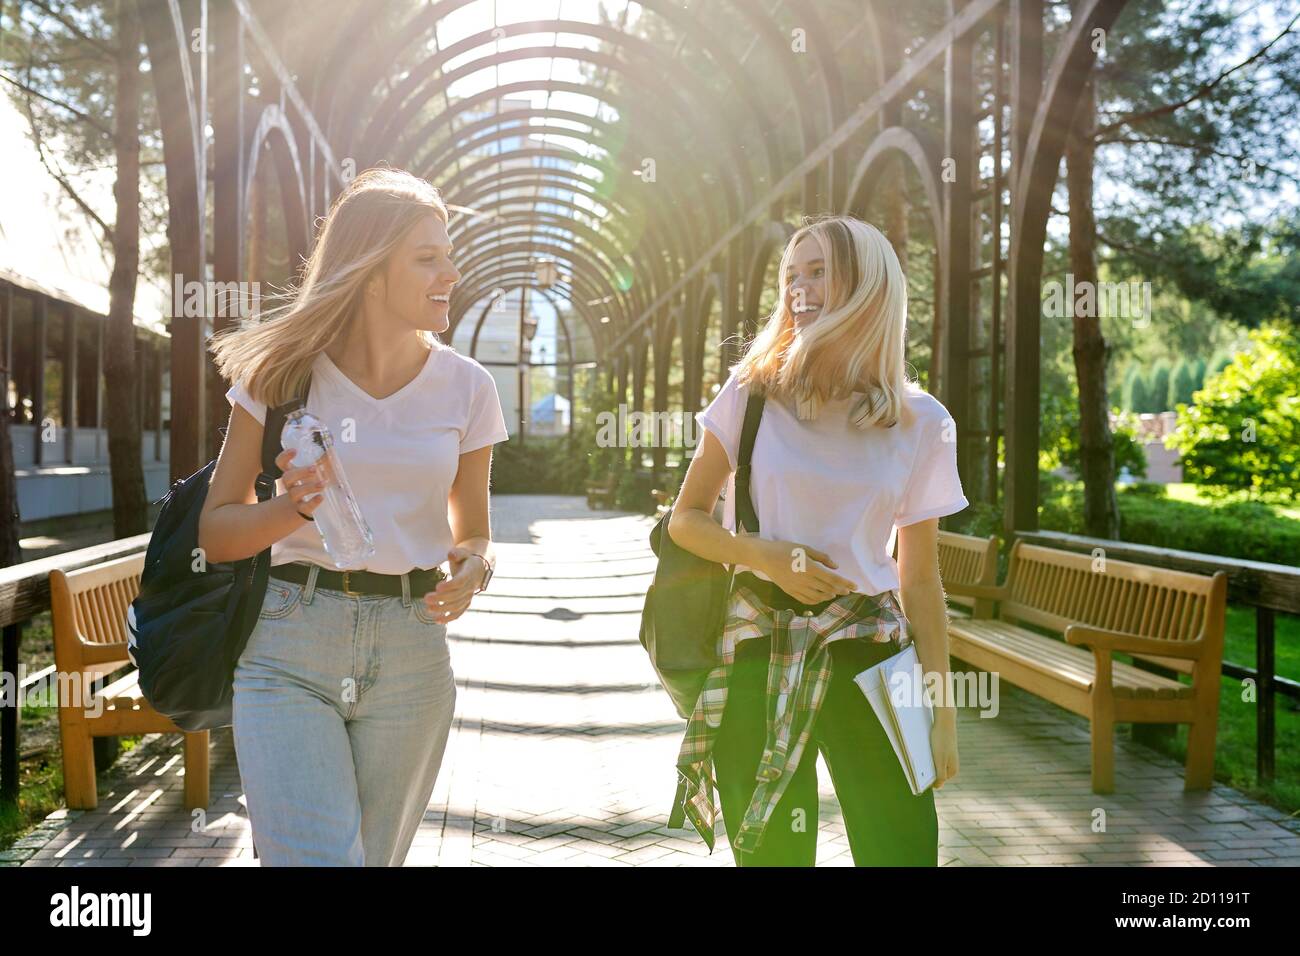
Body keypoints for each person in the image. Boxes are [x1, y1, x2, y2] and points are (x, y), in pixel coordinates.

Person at [199, 167, 509, 866]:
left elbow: (476, 531)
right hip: (288, 643)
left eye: (448, 255)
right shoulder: (279, 377)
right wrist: (291, 507)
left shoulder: (469, 390)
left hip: (411, 651)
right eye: (427, 258)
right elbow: (217, 534)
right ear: (371, 273)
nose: (451, 273)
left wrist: (475, 567)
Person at [667, 215, 967, 866]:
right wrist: (762, 554)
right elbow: (685, 519)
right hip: (757, 651)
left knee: (903, 850)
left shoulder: (922, 422)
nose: (798, 288)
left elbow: (920, 581)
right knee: (773, 854)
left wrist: (942, 715)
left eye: (817, 271)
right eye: (790, 275)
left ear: (866, 286)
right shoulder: (749, 397)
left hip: (875, 658)